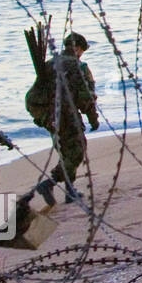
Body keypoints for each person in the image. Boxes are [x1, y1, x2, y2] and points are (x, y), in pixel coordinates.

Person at [33, 32, 99, 205]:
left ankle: (69, 192)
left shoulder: (48, 66)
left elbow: (32, 97)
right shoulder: (79, 67)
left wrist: (43, 118)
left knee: (66, 152)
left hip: (52, 118)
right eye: (82, 51)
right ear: (77, 48)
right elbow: (87, 98)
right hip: (69, 117)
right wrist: (93, 119)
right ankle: (50, 183)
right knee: (77, 151)